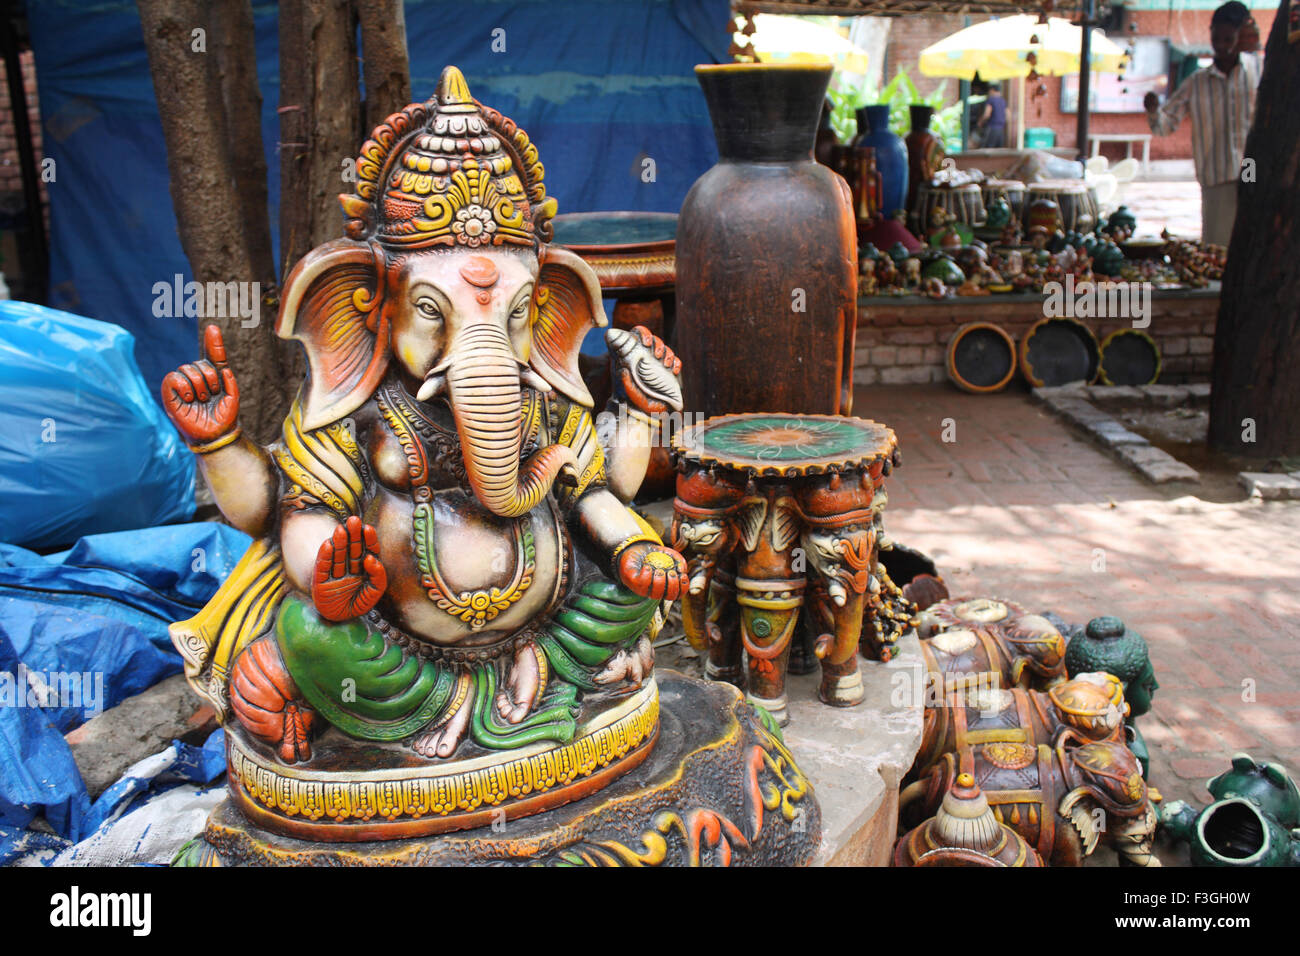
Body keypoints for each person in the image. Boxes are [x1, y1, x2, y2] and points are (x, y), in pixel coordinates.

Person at [1144, 1, 1262, 246]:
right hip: (1215, 175)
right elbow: (1164, 126)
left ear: (1240, 37)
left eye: (1228, 39)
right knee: (1217, 248)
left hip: (1250, 168)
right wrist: (1154, 111)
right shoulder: (1196, 82)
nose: (1220, 46)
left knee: (1250, 243)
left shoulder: (1258, 71)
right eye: (1216, 38)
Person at [976, 83, 1007, 148]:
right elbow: (1008, 115)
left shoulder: (991, 100)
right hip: (1001, 129)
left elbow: (987, 114)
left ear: (992, 90)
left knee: (987, 148)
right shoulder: (1003, 101)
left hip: (992, 127)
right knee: (998, 149)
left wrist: (980, 122)